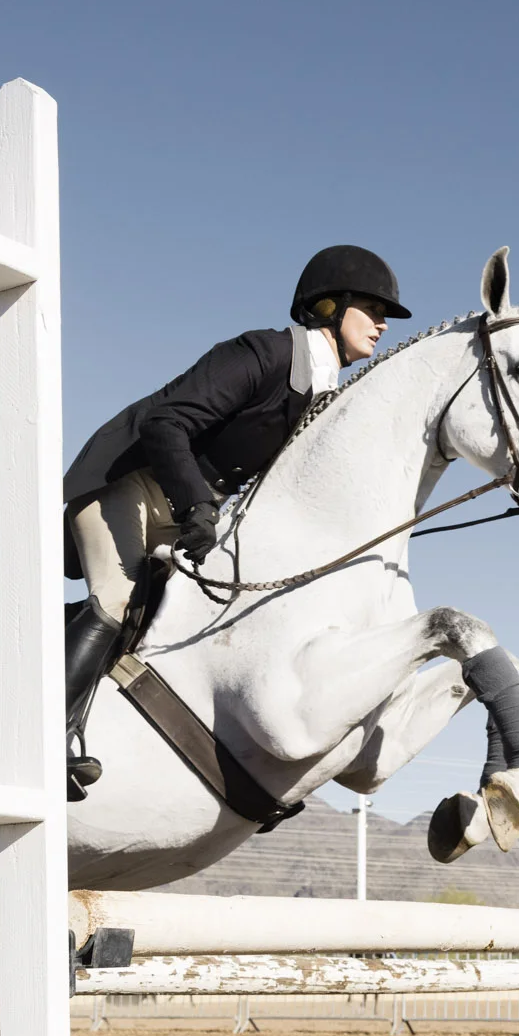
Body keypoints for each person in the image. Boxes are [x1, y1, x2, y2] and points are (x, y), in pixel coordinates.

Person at [58, 244, 409, 795]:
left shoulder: (323, 395)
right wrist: (197, 503)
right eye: (373, 308)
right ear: (327, 309)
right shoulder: (263, 353)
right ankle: (46, 736)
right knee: (117, 602)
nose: (384, 323)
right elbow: (165, 424)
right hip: (125, 483)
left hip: (187, 508)